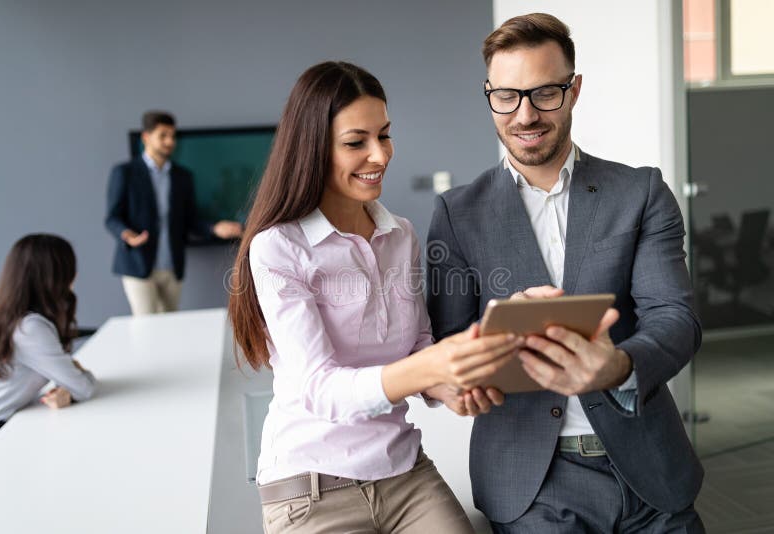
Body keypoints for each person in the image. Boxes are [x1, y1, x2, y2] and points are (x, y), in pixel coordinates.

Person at [426, 13, 705, 533]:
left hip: (650, 468)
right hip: (532, 483)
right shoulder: (457, 213)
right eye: (507, 96)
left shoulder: (640, 193)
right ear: (489, 95)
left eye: (545, 93)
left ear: (574, 90)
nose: (525, 114)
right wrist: (493, 341)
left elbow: (676, 318)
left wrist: (618, 365)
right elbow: (445, 342)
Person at [229, 61, 521, 534]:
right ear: (313, 150)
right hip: (312, 488)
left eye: (384, 135)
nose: (379, 155)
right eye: (355, 142)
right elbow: (322, 389)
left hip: (405, 475)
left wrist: (449, 386)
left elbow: (418, 343)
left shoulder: (400, 233)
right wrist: (431, 369)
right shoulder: (278, 248)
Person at [105, 111, 243, 315]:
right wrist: (127, 235)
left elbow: (190, 220)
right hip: (138, 264)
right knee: (146, 325)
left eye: (172, 135)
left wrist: (215, 228)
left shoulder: (182, 176)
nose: (170, 141)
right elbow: (112, 218)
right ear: (146, 137)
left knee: (171, 324)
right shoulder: (125, 172)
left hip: (172, 266)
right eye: (163, 135)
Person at [0, 234, 96, 455]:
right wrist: (77, 377)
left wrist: (67, 385)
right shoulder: (30, 328)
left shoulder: (8, 318)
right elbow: (84, 387)